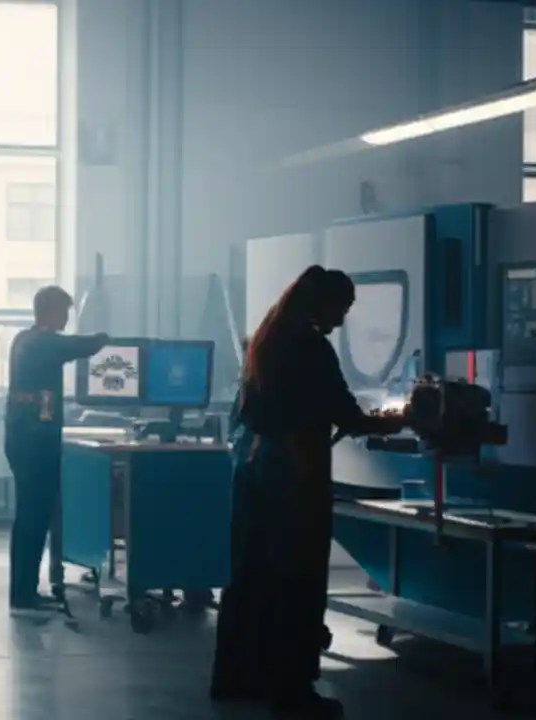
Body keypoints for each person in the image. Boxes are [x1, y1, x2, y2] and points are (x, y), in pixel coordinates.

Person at [210, 266, 406, 719]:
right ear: (325, 304)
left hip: (252, 470)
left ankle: (238, 677)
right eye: (344, 307)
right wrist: (404, 418)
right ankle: (291, 692)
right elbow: (348, 416)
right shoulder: (311, 347)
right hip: (294, 477)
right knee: (297, 582)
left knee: (251, 577)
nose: (344, 317)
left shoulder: (266, 339)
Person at [4, 286, 109, 613]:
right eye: (64, 311)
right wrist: (106, 337)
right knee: (33, 519)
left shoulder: (25, 340)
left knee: (30, 517)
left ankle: (23, 591)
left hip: (26, 440)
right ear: (49, 311)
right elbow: (82, 345)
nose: (66, 318)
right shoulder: (40, 342)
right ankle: (24, 595)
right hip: (34, 444)